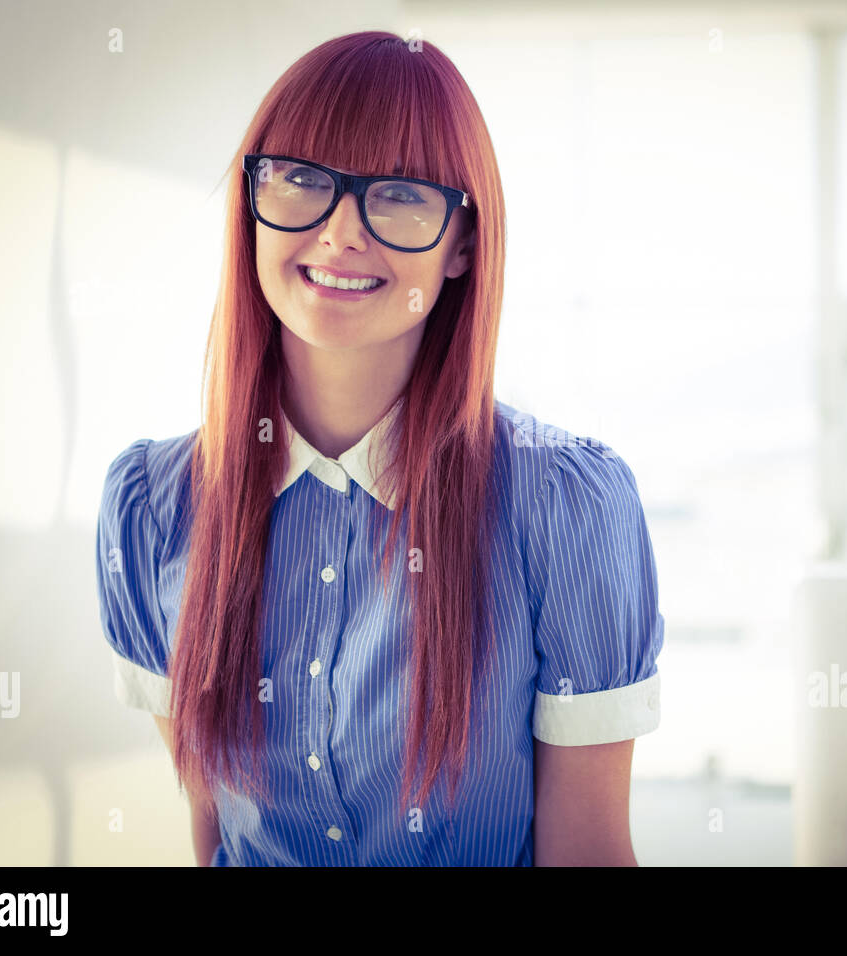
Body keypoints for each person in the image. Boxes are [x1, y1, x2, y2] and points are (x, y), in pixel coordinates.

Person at [94, 30, 663, 866]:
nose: (339, 233)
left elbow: (587, 852)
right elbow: (214, 841)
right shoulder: (150, 507)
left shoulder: (566, 507)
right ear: (251, 200)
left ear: (463, 243)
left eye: (398, 194)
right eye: (300, 179)